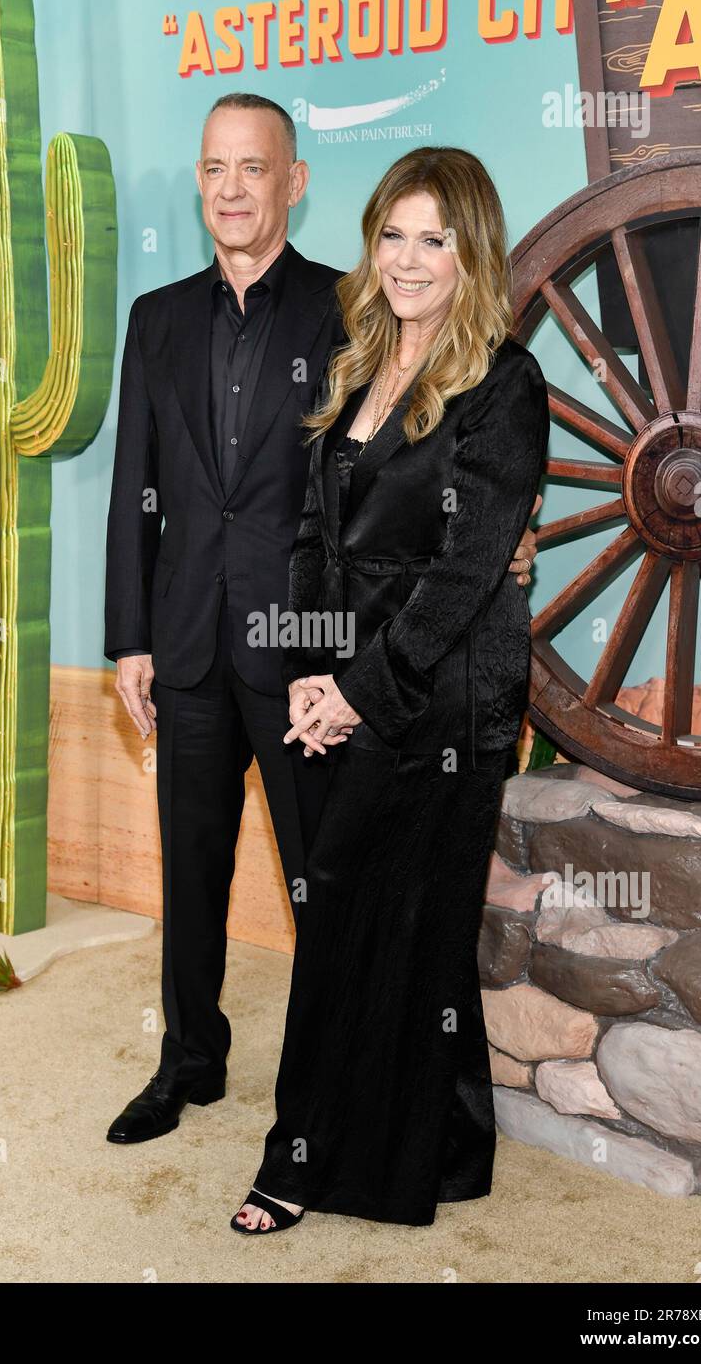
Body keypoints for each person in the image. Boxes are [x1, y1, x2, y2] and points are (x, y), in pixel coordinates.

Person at [104, 96, 540, 1146]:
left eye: (254, 168)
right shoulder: (155, 319)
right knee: (190, 864)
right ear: (200, 181)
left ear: (293, 181)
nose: (232, 188)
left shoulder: (353, 309)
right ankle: (187, 1062)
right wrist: (130, 634)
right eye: (215, 168)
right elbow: (137, 486)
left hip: (308, 658)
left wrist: (502, 543)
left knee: (329, 886)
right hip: (190, 647)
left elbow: (414, 453)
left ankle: (339, 1090)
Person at [231, 146, 550, 1234]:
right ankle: (449, 1145)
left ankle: (299, 1159)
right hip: (353, 679)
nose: (408, 261)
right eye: (392, 236)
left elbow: (467, 575)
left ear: (472, 255)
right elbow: (318, 533)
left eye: (435, 239)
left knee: (382, 926)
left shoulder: (506, 383)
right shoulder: (357, 362)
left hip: (447, 694)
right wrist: (313, 672)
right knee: (389, 926)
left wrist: (362, 690)